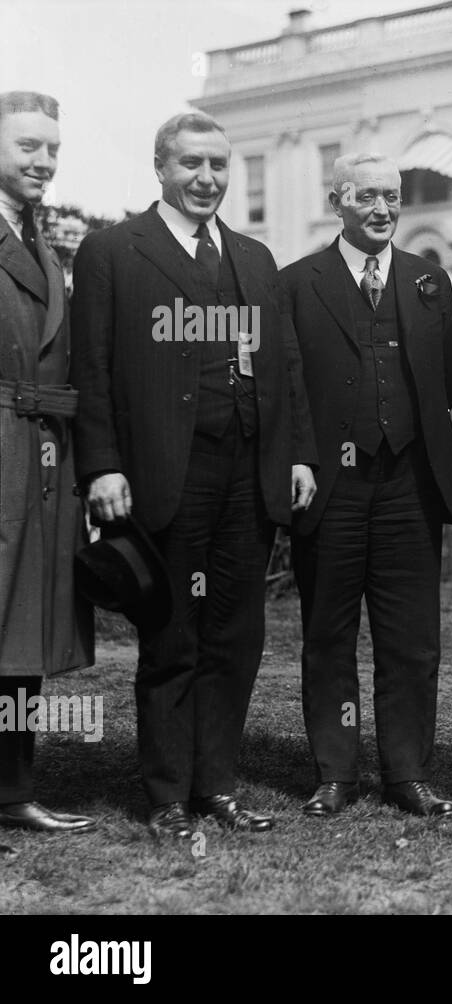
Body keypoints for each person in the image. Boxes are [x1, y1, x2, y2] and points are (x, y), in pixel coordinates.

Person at [71, 111, 317, 839]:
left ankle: (218, 788)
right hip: (164, 475)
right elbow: (91, 369)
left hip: (250, 474)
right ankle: (168, 796)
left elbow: (286, 367)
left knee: (237, 638)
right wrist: (103, 467)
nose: (207, 178)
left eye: (218, 165)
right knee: (172, 638)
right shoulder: (113, 252)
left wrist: (299, 452)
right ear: (160, 167)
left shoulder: (253, 257)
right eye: (191, 165)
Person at [280, 153, 452, 818]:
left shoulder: (428, 281)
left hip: (409, 484)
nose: (384, 209)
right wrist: (301, 459)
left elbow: (445, 378)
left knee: (411, 638)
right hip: (332, 486)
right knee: (328, 634)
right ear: (339, 200)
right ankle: (336, 772)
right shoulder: (297, 283)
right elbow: (288, 388)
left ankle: (407, 772)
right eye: (368, 197)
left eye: (392, 196)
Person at [0, 90, 95, 846]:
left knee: (22, 629)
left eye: (52, 149)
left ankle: (13, 791)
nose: (44, 161)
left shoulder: (38, 235)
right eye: (28, 145)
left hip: (35, 452)